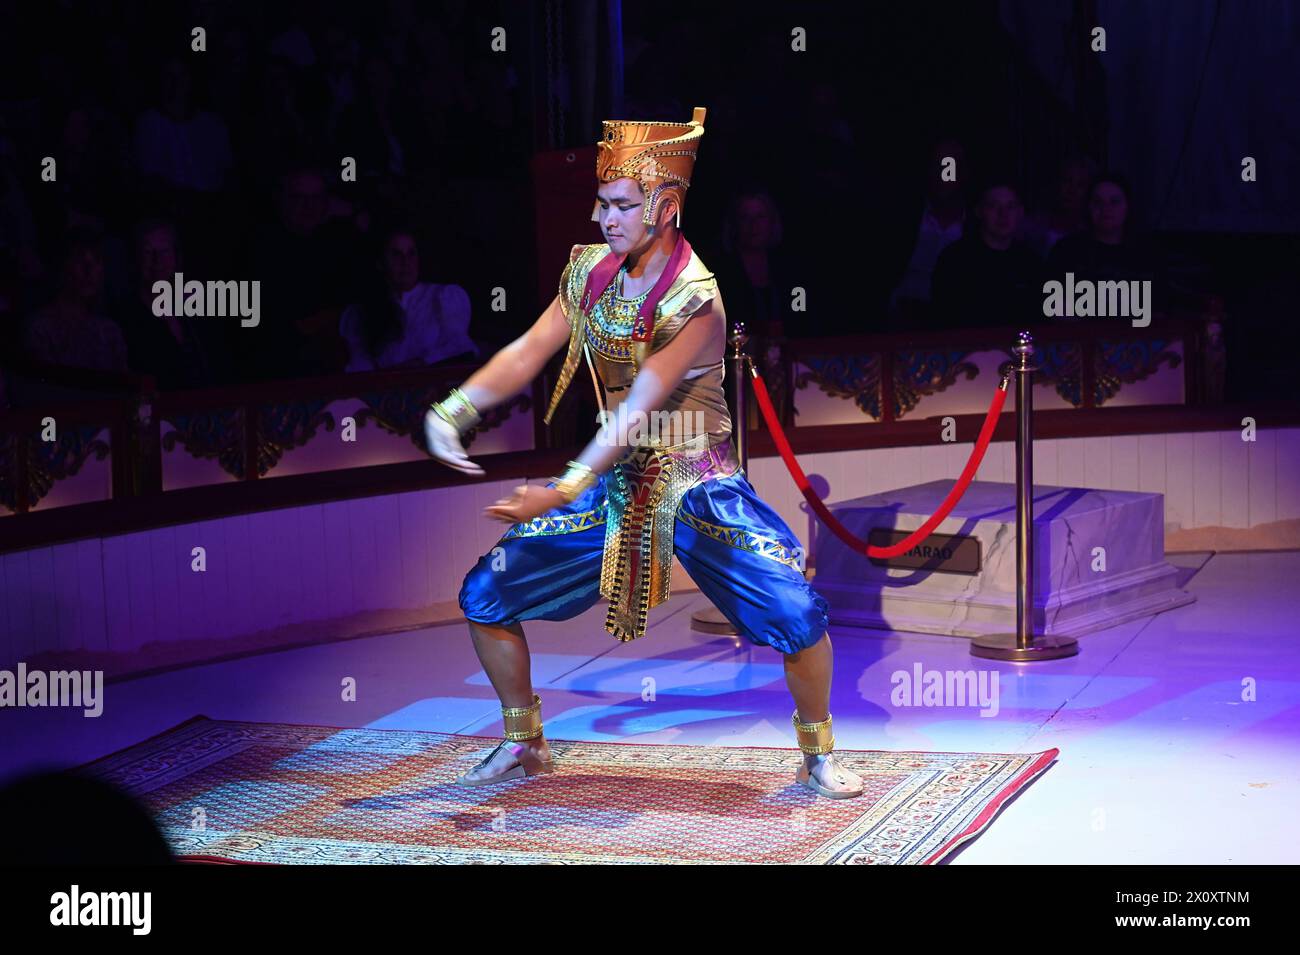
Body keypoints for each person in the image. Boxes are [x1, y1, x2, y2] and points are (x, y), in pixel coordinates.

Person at [424, 107, 865, 799]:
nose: (605, 217)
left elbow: (639, 408)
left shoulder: (697, 300)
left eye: (622, 205)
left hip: (697, 486)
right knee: (486, 592)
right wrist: (456, 410)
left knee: (798, 612)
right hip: (617, 487)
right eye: (601, 202)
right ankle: (523, 740)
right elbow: (529, 350)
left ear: (666, 206)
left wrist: (564, 486)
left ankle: (818, 751)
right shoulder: (590, 274)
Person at [338, 227, 478, 371]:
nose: (405, 262)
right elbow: (360, 365)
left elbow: (459, 348)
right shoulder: (361, 313)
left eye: (411, 254)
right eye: (396, 255)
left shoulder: (442, 298)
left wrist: (420, 364)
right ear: (381, 263)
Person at [930, 178, 1044, 330]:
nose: (1002, 214)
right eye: (993, 206)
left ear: (1020, 212)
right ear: (979, 211)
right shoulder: (955, 260)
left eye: (1010, 206)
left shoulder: (1031, 262)